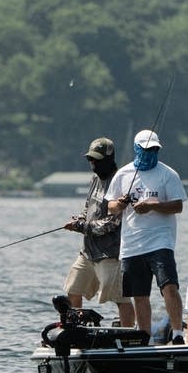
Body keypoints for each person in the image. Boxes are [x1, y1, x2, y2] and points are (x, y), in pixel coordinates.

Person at [106, 129, 186, 342]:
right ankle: (145, 337)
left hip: (161, 241)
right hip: (132, 244)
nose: (150, 152)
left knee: (169, 286)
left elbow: (178, 206)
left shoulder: (168, 174)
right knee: (139, 295)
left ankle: (178, 333)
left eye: (154, 149)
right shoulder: (123, 174)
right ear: (136, 149)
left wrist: (154, 205)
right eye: (146, 149)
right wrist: (120, 204)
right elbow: (111, 206)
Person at [61, 137, 135, 327]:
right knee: (73, 290)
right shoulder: (95, 179)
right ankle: (77, 329)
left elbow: (111, 223)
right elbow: (88, 208)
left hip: (110, 253)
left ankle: (129, 335)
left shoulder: (119, 182)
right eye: (90, 159)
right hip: (87, 251)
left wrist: (81, 227)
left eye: (96, 159)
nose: (92, 163)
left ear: (109, 159)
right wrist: (80, 219)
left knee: (121, 298)